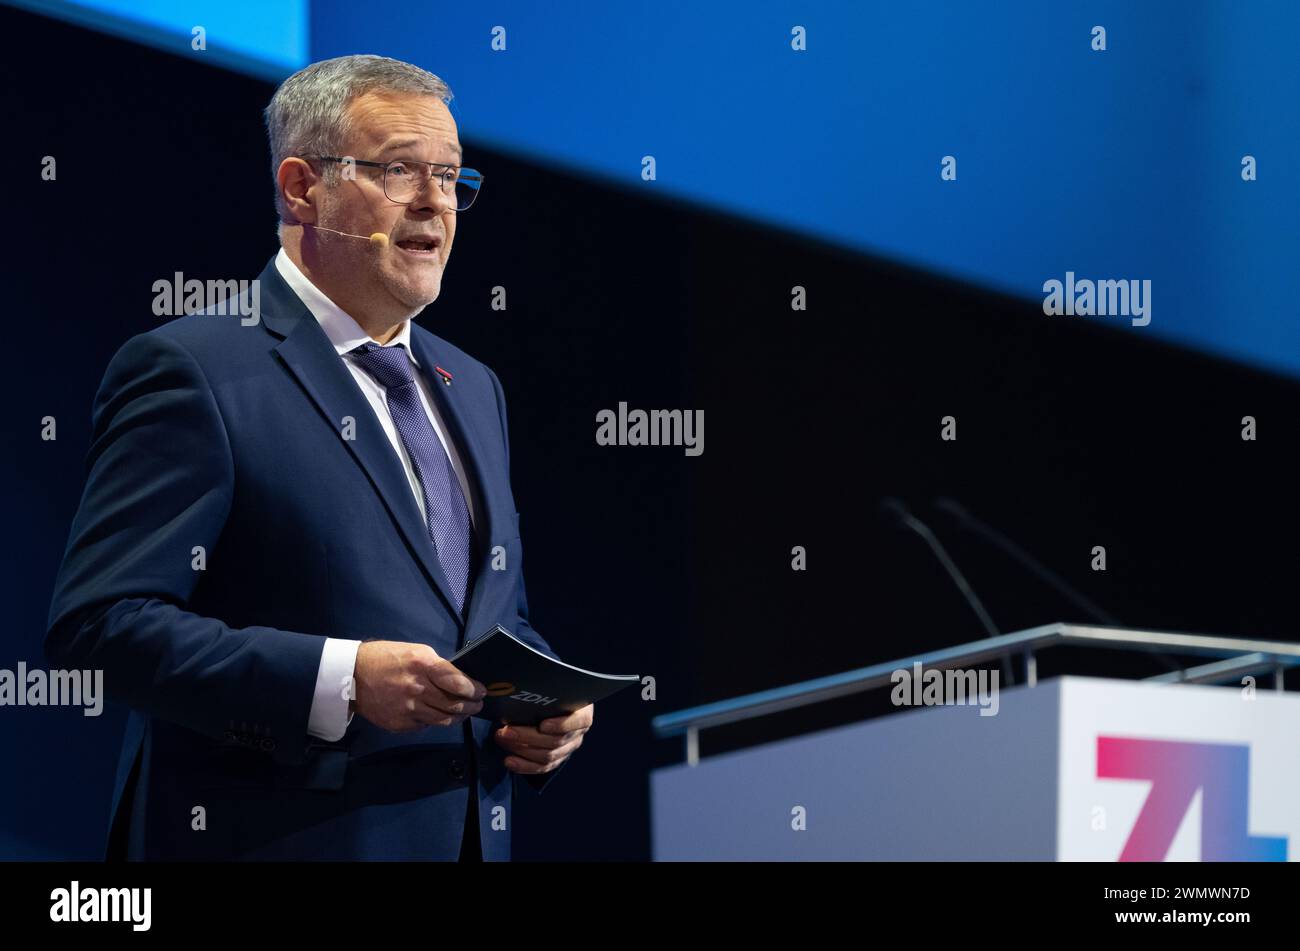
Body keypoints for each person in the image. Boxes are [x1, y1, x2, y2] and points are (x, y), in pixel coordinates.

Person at [45, 54, 592, 861]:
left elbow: (483, 619)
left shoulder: (472, 386)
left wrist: (544, 702)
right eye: (401, 170)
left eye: (451, 178)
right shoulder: (195, 368)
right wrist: (341, 679)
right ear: (302, 187)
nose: (436, 205)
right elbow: (101, 627)